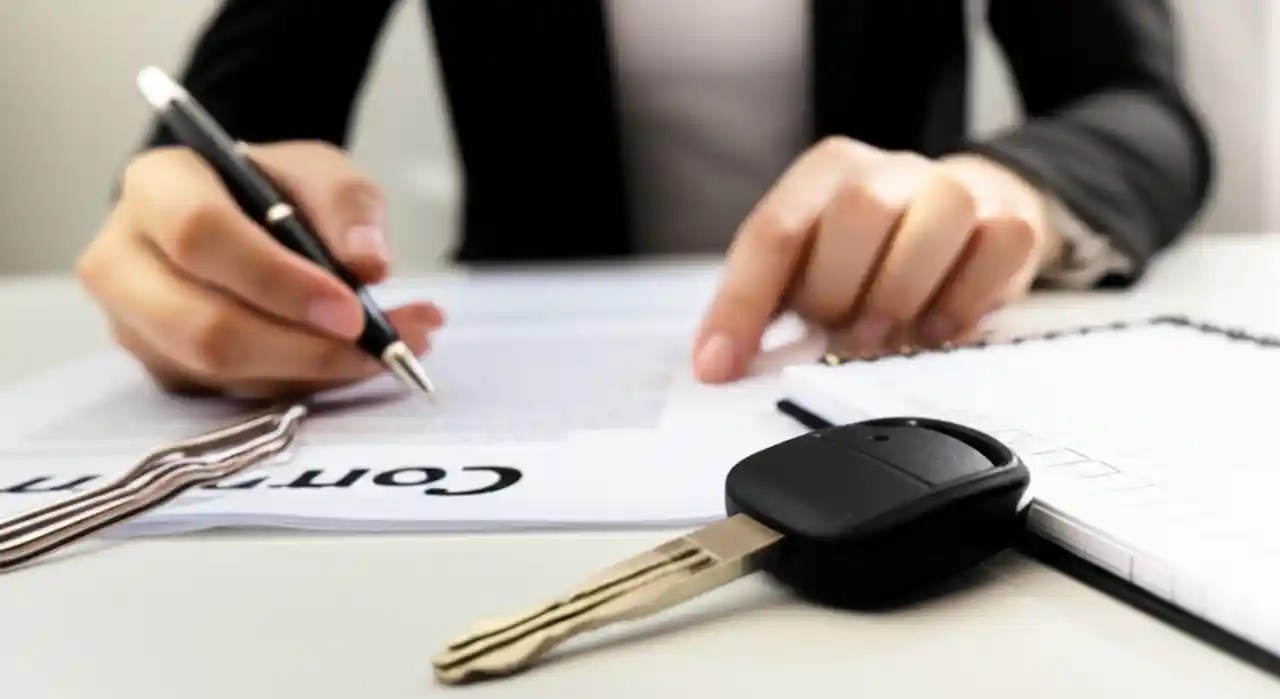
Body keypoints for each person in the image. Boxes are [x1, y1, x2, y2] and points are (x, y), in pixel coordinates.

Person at [75, 0, 1214, 399]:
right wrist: (191, 244)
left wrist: (995, 186)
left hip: (890, 349)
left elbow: (1137, 106)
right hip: (524, 370)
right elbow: (208, 138)